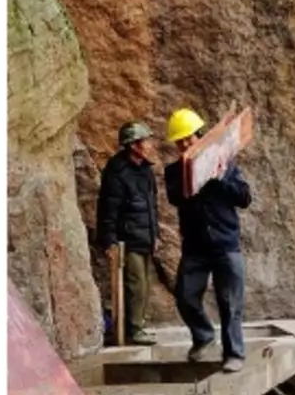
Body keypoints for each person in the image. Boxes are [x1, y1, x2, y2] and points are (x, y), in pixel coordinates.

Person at [162, 107, 252, 371]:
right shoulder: (174, 172)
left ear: (200, 135)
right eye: (180, 141)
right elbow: (176, 197)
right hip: (195, 248)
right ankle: (203, 336)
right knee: (185, 296)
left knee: (230, 302)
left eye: (190, 137)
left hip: (226, 245)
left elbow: (244, 197)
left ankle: (234, 354)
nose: (186, 143)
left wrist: (218, 177)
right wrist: (195, 176)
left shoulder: (226, 164)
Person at [95, 121, 160, 344]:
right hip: (127, 240)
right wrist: (109, 241)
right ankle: (133, 330)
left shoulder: (145, 170)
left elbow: (153, 206)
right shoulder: (117, 172)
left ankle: (137, 325)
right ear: (134, 145)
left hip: (145, 237)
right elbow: (107, 209)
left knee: (144, 283)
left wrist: (155, 234)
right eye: (146, 141)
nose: (150, 145)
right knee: (136, 285)